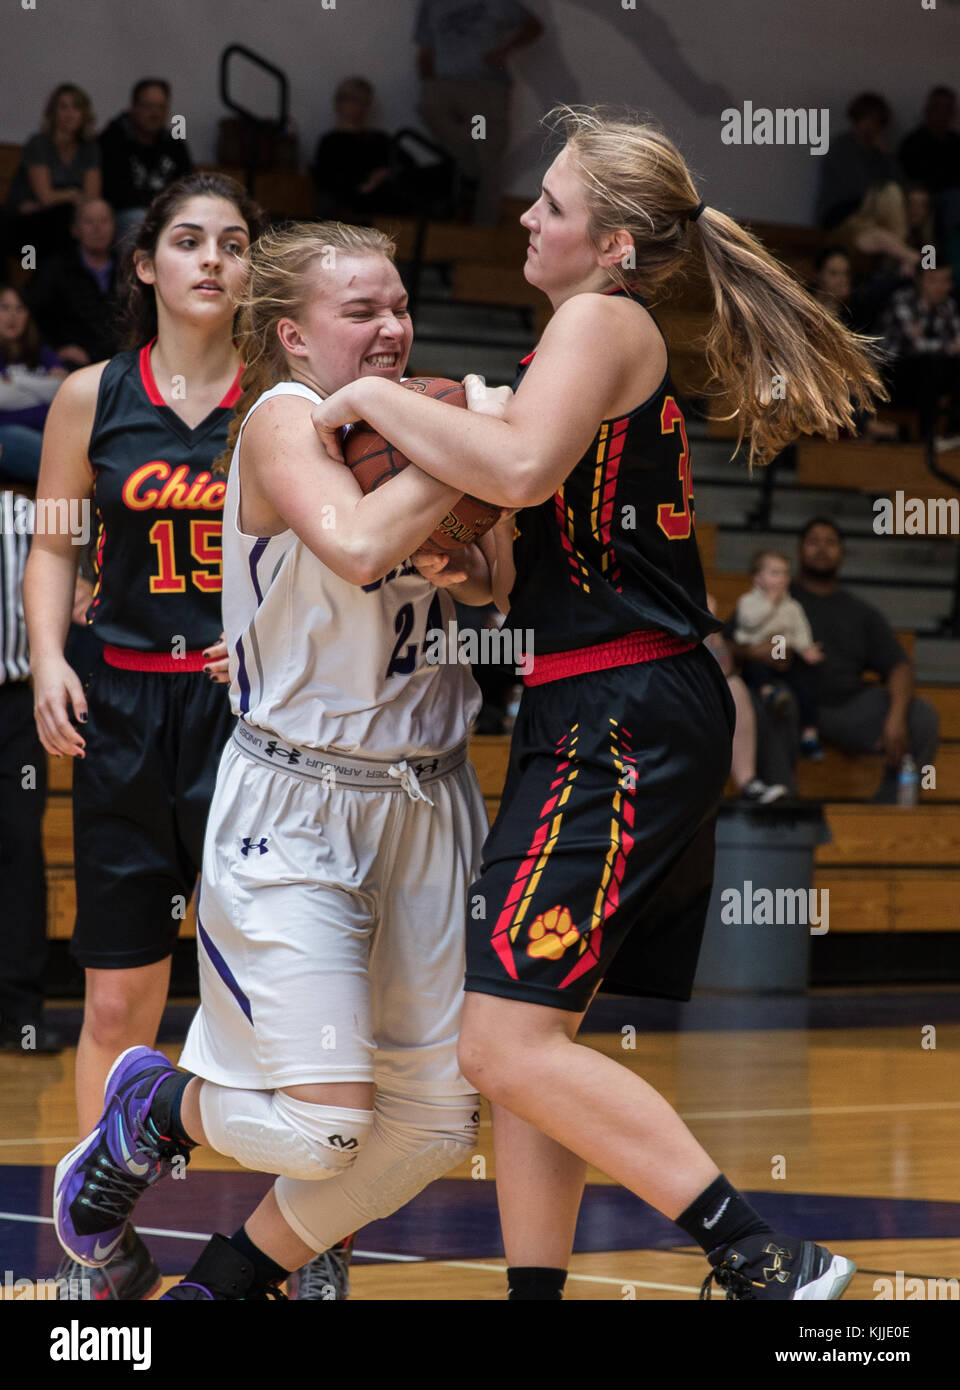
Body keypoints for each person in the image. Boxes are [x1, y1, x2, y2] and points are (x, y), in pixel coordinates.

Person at [306, 104, 884, 1300]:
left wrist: (368, 404)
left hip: (620, 711)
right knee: (530, 1045)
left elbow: (515, 465)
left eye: (554, 205)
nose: (526, 215)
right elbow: (521, 549)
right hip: (602, 701)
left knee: (496, 1043)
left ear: (615, 244)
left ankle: (763, 1255)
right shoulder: (573, 342)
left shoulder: (598, 322)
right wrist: (471, 565)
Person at [53, 221, 495, 1303]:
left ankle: (236, 1283)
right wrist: (461, 439)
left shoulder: (412, 417)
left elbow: (490, 581)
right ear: (294, 336)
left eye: (399, 307)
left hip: (433, 800)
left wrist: (460, 503)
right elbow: (352, 542)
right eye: (361, 312)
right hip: (295, 802)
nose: (391, 328)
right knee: (329, 1123)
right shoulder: (281, 418)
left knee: (437, 1122)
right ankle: (156, 1108)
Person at [25, 171, 265, 1300]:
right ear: (146, 267)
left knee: (271, 990)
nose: (211, 258)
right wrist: (49, 659)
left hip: (249, 721)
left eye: (232, 242)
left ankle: (304, 1245)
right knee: (120, 999)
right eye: (187, 239)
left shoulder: (285, 395)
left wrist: (272, 636)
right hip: (120, 711)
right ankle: (104, 1246)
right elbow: (55, 547)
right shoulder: (90, 398)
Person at [793, 518, 939, 805]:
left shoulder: (860, 612)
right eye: (813, 541)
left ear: (842, 554)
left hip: (847, 707)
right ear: (799, 551)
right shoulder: (780, 600)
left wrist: (896, 717)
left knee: (921, 715)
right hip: (793, 704)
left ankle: (893, 808)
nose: (822, 549)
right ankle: (777, 810)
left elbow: (899, 666)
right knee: (775, 703)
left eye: (830, 542)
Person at [0, 487, 63, 1054]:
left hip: (13, 706)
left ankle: (22, 1014)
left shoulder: (28, 519)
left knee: (20, 855)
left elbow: (78, 576)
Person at [414, 0, 543, 225]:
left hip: (485, 89)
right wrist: (428, 80)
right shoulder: (431, 4)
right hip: (446, 85)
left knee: (486, 152)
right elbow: (426, 47)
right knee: (430, 110)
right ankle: (469, 168)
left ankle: (483, 229)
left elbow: (533, 26)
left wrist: (504, 51)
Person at [734, 550, 824, 759]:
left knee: (805, 685)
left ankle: (810, 733)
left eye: (785, 573)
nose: (782, 578)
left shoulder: (792, 606)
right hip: (756, 653)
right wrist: (770, 604)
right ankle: (768, 693)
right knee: (755, 668)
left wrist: (807, 648)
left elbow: (800, 630)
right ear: (757, 578)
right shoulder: (749, 601)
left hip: (783, 654)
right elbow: (749, 621)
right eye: (774, 573)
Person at [816, 93, 917, 277]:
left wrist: (886, 155)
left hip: (873, 219)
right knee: (888, 196)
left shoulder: (879, 153)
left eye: (875, 122)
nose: (869, 126)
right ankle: (910, 260)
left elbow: (903, 188)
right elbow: (858, 187)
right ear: (856, 119)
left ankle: (904, 262)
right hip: (841, 214)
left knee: (893, 194)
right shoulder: (842, 146)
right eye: (866, 119)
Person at [2, 84, 102, 259]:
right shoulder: (39, 144)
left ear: (84, 114)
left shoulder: (90, 149)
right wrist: (74, 194)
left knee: (83, 221)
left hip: (66, 221)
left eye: (76, 107)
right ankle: (40, 281)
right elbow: (45, 197)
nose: (70, 113)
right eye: (63, 107)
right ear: (53, 113)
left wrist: (65, 198)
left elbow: (92, 199)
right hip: (27, 222)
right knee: (62, 218)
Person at [24, 198, 120, 368]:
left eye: (104, 221)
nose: (98, 228)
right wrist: (55, 350)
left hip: (121, 364)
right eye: (89, 221)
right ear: (75, 229)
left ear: (114, 226)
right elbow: (29, 314)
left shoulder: (129, 268)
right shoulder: (54, 270)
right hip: (73, 366)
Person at [98, 79, 194, 247]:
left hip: (169, 217)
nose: (155, 113)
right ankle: (139, 273)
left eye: (161, 107)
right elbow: (115, 194)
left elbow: (189, 187)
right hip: (123, 217)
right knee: (139, 222)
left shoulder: (175, 145)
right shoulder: (112, 140)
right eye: (148, 106)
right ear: (133, 108)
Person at [310, 77, 415, 220]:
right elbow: (328, 179)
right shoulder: (330, 142)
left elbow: (409, 163)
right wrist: (364, 186)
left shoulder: (379, 138)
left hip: (388, 193)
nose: (359, 108)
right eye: (355, 101)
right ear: (340, 102)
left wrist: (386, 173)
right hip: (357, 200)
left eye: (364, 102)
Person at [881, 259, 960, 448]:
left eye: (945, 280)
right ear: (919, 280)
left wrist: (940, 346)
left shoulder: (948, 306)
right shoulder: (902, 300)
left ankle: (953, 433)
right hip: (893, 377)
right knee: (928, 363)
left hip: (932, 377)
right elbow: (915, 346)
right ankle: (925, 438)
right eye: (933, 280)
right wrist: (947, 346)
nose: (941, 286)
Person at [0, 284, 67, 485]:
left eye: (19, 308)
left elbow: (61, 389)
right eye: (4, 307)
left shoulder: (43, 352)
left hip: (52, 431)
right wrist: (41, 387)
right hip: (8, 436)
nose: (12, 316)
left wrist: (16, 380)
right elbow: (3, 396)